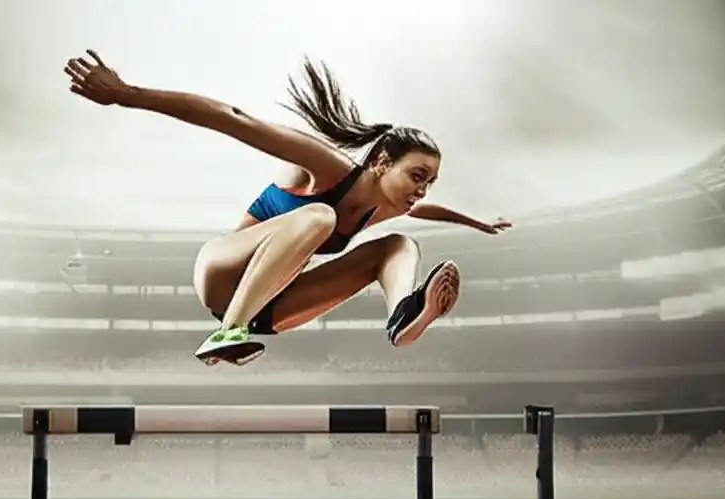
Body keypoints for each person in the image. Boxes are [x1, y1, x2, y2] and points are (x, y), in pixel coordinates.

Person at [65, 50, 511, 365]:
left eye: (430, 182)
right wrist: (128, 94)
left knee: (398, 245)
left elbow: (429, 212)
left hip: (274, 308)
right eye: (417, 177)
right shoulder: (324, 169)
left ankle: (402, 316)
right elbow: (232, 117)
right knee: (322, 216)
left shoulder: (387, 208)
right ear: (379, 162)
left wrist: (476, 222)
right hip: (223, 276)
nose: (423, 191)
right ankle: (227, 331)